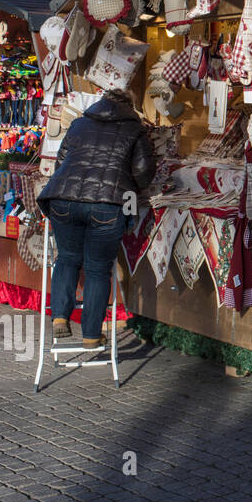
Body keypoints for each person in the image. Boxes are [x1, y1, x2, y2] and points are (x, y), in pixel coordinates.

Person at [38, 88, 155, 348]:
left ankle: (59, 317)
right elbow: (144, 172)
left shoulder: (79, 123)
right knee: (97, 268)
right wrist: (131, 188)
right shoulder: (135, 130)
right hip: (109, 204)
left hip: (62, 198)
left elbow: (61, 161)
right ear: (130, 107)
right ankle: (91, 333)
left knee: (67, 258)